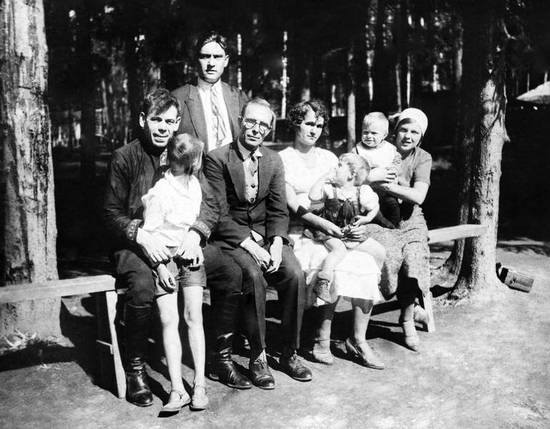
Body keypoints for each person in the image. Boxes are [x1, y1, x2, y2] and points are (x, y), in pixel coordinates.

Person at [103, 89, 250, 408]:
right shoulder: (124, 157)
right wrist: (142, 236)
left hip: (183, 242)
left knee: (231, 272)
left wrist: (196, 234)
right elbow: (110, 213)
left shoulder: (185, 153)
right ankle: (136, 369)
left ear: (178, 122)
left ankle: (219, 358)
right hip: (136, 245)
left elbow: (211, 203)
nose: (163, 128)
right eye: (156, 120)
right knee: (142, 285)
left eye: (170, 121)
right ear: (143, 120)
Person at [204, 97, 312, 390]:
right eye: (251, 121)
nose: (256, 129)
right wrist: (250, 246)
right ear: (240, 121)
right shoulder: (217, 159)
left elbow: (278, 209)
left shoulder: (273, 160)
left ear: (269, 129)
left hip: (267, 236)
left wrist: (276, 243)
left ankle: (289, 352)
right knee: (252, 276)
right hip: (232, 239)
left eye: (263, 125)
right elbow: (218, 214)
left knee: (294, 274)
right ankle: (258, 355)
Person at [280, 100, 385, 369]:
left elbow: (351, 190)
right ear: (296, 123)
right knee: (334, 266)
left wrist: (358, 222)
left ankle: (357, 339)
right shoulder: (284, 158)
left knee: (366, 261)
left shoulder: (329, 158)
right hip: (302, 230)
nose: (313, 130)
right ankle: (321, 339)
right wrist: (324, 225)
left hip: (336, 230)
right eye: (308, 123)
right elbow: (292, 204)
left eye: (318, 125)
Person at [141, 134, 208, 411]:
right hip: (165, 258)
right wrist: (158, 266)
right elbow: (149, 234)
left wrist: (196, 242)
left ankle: (200, 385)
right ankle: (178, 389)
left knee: (194, 317)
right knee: (169, 320)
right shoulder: (160, 192)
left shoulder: (194, 185)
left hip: (190, 255)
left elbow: (196, 221)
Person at [307, 153, 380, 305]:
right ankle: (323, 280)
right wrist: (324, 177)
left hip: (349, 232)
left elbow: (374, 206)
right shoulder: (330, 189)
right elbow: (312, 196)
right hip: (329, 231)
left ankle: (378, 279)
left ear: (352, 174)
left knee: (379, 250)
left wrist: (367, 218)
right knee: (338, 250)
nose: (335, 167)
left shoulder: (362, 191)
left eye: (340, 165)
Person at [172, 30, 248, 153]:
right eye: (205, 56)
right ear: (197, 59)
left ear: (226, 61)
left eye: (217, 57)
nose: (211, 63)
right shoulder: (178, 98)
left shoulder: (239, 97)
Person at [352, 112, 402, 228]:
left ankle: (395, 226)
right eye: (365, 132)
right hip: (367, 190)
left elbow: (397, 160)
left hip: (387, 190)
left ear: (384, 135)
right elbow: (353, 166)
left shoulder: (389, 149)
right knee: (371, 208)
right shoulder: (358, 150)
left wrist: (393, 169)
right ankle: (383, 223)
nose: (369, 136)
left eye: (374, 133)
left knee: (393, 206)